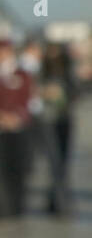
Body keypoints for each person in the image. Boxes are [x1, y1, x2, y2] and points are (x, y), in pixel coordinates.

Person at [0, 36, 35, 217]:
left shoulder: (22, 75)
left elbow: (28, 101)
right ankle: (4, 208)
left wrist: (16, 118)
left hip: (17, 129)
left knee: (17, 169)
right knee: (0, 169)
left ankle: (17, 206)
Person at [39, 41, 77, 215]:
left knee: (62, 161)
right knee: (54, 161)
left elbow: (76, 91)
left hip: (64, 120)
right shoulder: (40, 72)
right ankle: (59, 202)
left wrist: (63, 93)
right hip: (47, 121)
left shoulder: (67, 72)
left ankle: (58, 198)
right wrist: (43, 92)